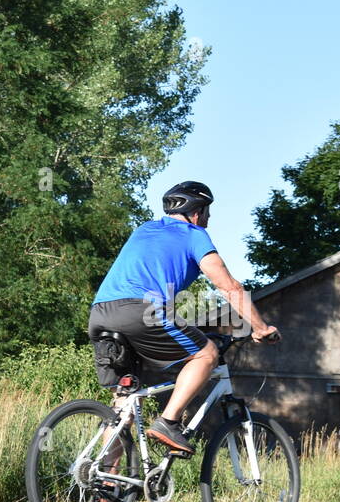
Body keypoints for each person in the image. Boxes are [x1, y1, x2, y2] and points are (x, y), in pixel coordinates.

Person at [89, 180, 279, 456]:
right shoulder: (194, 234)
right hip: (141, 310)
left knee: (124, 405)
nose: (208, 219)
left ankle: (106, 483)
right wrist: (261, 328)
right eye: (207, 212)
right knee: (206, 354)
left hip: (101, 314)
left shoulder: (144, 230)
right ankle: (169, 421)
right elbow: (229, 287)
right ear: (197, 212)